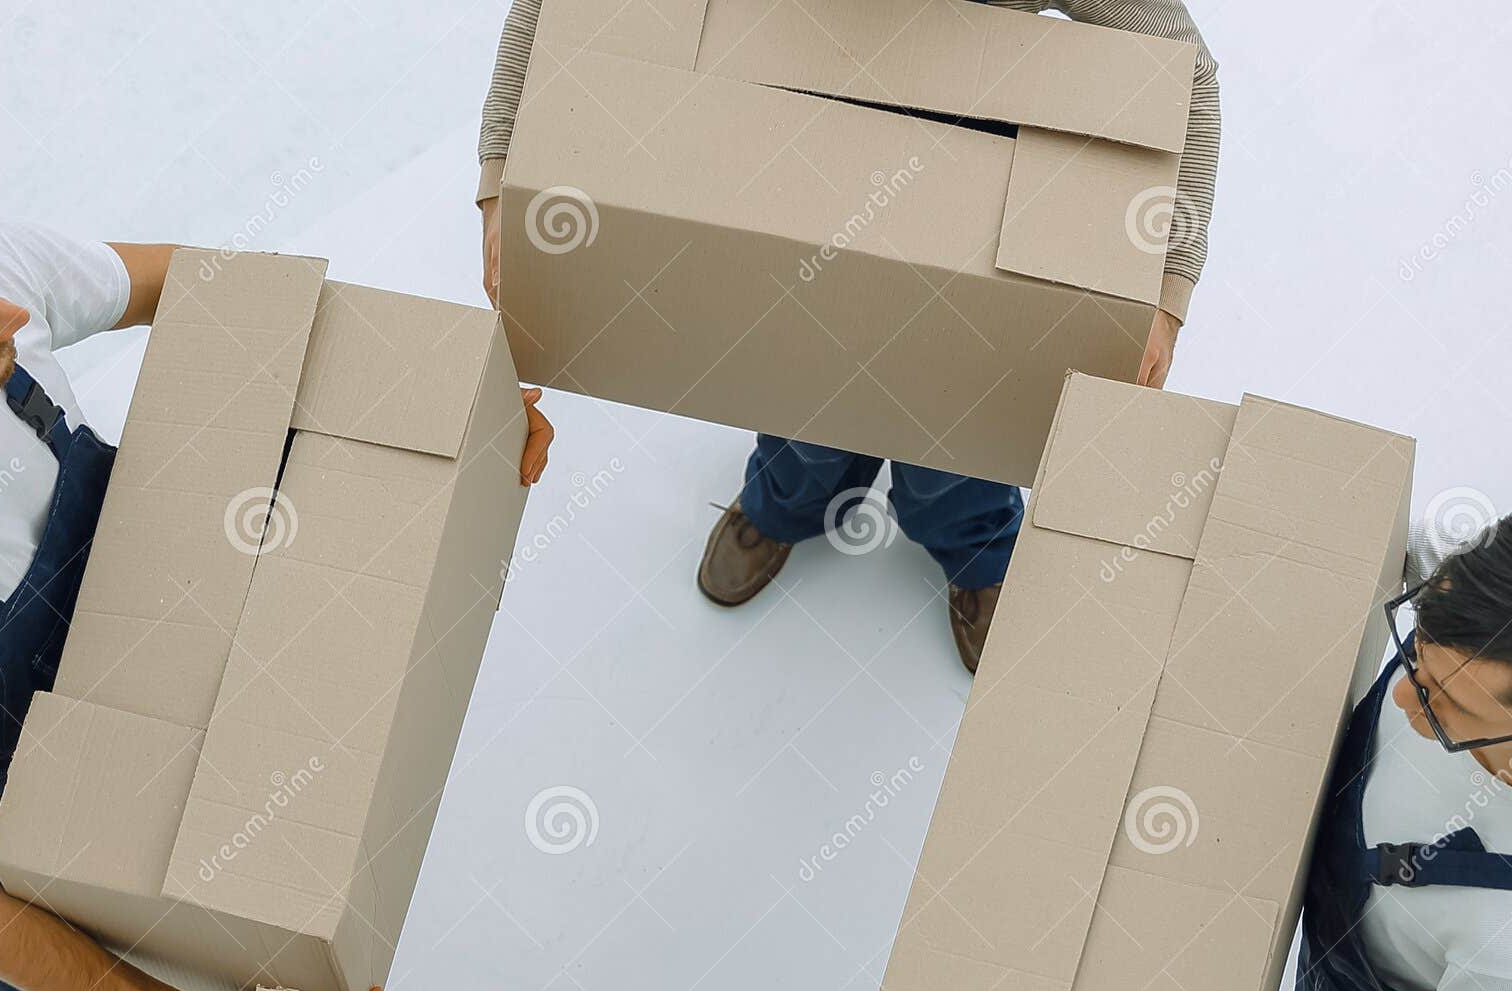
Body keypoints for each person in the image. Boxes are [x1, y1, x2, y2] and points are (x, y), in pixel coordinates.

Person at [0, 209, 547, 991]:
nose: (17, 318)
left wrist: (472, 422)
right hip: (26, 771)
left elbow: (239, 305)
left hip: (169, 580)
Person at [475, 0, 1220, 671]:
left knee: (959, 421)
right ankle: (787, 502)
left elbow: (1188, 76)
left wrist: (1166, 294)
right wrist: (504, 179)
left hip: (978, 195)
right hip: (799, 164)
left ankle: (974, 544)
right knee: (803, 385)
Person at [1078, 516, 1512, 991]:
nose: (1409, 702)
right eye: (1412, 654)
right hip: (1350, 987)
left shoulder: (1504, 951)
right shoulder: (1483, 610)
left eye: (1448, 710)